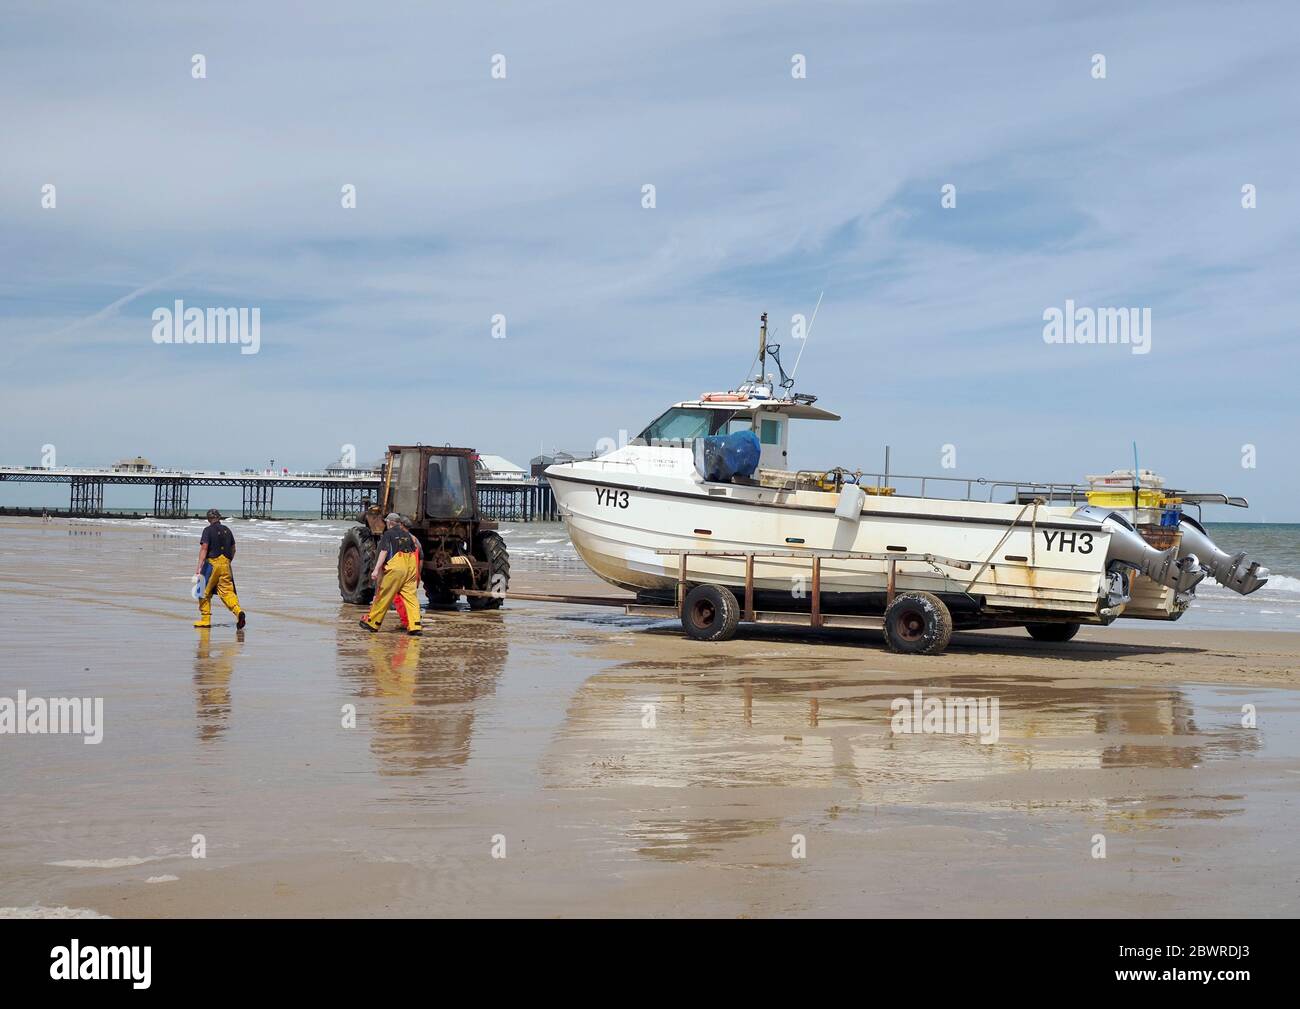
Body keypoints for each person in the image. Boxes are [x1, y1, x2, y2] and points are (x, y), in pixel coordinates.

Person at [360, 513, 422, 635]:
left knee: (384, 595)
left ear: (389, 523)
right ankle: (415, 626)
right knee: (411, 598)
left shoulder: (388, 534)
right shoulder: (408, 535)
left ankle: (372, 623)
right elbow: (414, 551)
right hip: (410, 568)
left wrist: (376, 570)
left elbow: (384, 552)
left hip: (396, 567)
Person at [194, 508, 245, 629]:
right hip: (226, 564)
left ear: (208, 519)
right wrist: (228, 561)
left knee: (202, 590)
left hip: (212, 564)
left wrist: (199, 566)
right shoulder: (227, 530)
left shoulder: (207, 530)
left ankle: (205, 620)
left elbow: (204, 548)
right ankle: (239, 612)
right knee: (227, 592)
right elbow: (233, 549)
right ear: (219, 517)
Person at [393, 515, 424, 631]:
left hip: (403, 573)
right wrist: (418, 575)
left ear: (401, 525)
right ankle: (415, 620)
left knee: (398, 598)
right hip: (413, 572)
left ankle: (406, 622)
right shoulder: (416, 540)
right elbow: (421, 558)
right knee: (411, 598)